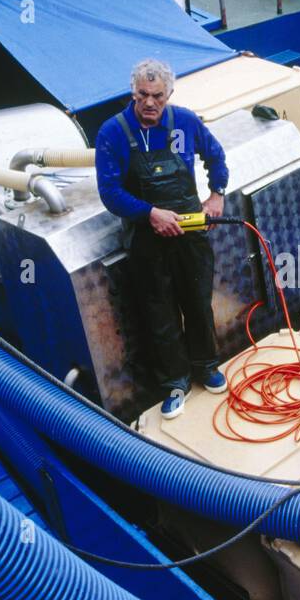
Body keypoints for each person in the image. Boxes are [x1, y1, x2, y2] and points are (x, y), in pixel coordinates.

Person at [95, 59, 229, 419]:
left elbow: (215, 156)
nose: (149, 103)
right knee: (160, 313)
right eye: (142, 95)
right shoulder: (112, 133)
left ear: (169, 94)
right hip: (146, 239)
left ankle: (206, 366)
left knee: (198, 303)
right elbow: (109, 193)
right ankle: (174, 382)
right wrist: (150, 213)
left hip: (190, 234)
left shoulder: (185, 121)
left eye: (157, 95)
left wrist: (217, 194)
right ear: (132, 92)